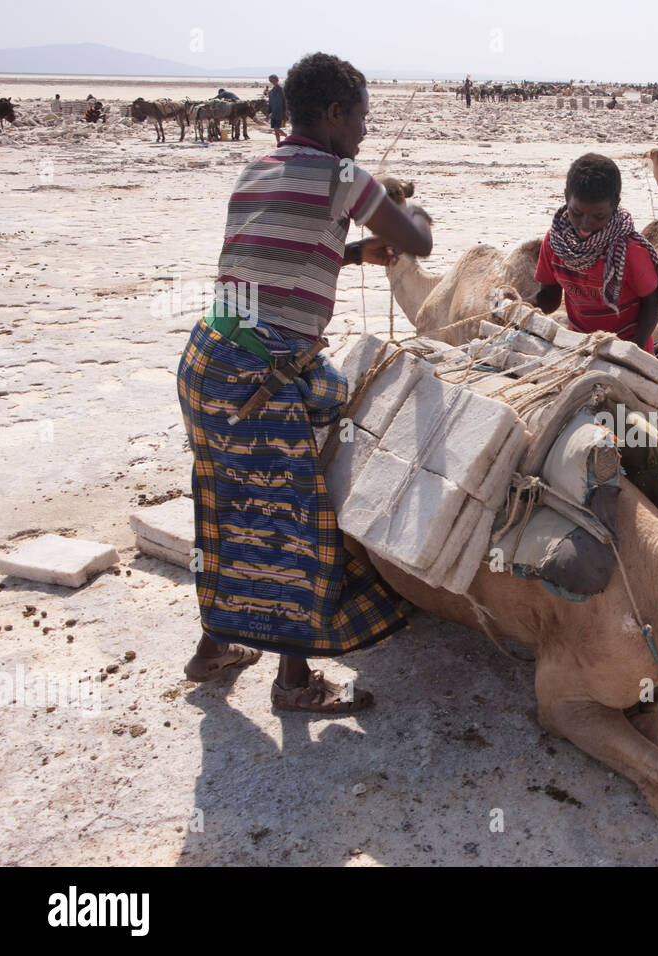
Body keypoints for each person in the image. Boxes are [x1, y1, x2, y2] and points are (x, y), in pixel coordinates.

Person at [176, 52, 433, 713]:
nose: (366, 133)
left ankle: (214, 649)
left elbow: (271, 257)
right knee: (291, 527)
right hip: (256, 380)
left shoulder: (258, 167)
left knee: (230, 513)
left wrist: (349, 251)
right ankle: (294, 684)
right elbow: (419, 242)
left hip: (208, 362)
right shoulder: (344, 173)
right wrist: (409, 216)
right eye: (362, 119)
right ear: (335, 113)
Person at [534, 153, 658, 352]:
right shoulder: (555, 244)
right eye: (577, 213)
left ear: (615, 205)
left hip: (627, 346)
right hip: (579, 346)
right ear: (566, 198)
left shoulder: (629, 251)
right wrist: (519, 307)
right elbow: (550, 297)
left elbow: (653, 303)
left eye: (598, 216)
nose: (586, 225)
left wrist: (632, 353)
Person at [267, 73, 286, 145]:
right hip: (274, 112)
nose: (273, 82)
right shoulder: (271, 92)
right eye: (271, 80)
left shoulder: (282, 91)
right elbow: (270, 103)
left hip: (280, 112)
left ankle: (286, 136)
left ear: (277, 80)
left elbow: (285, 102)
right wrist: (268, 112)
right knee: (275, 129)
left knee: (276, 128)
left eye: (274, 80)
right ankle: (278, 143)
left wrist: (285, 113)